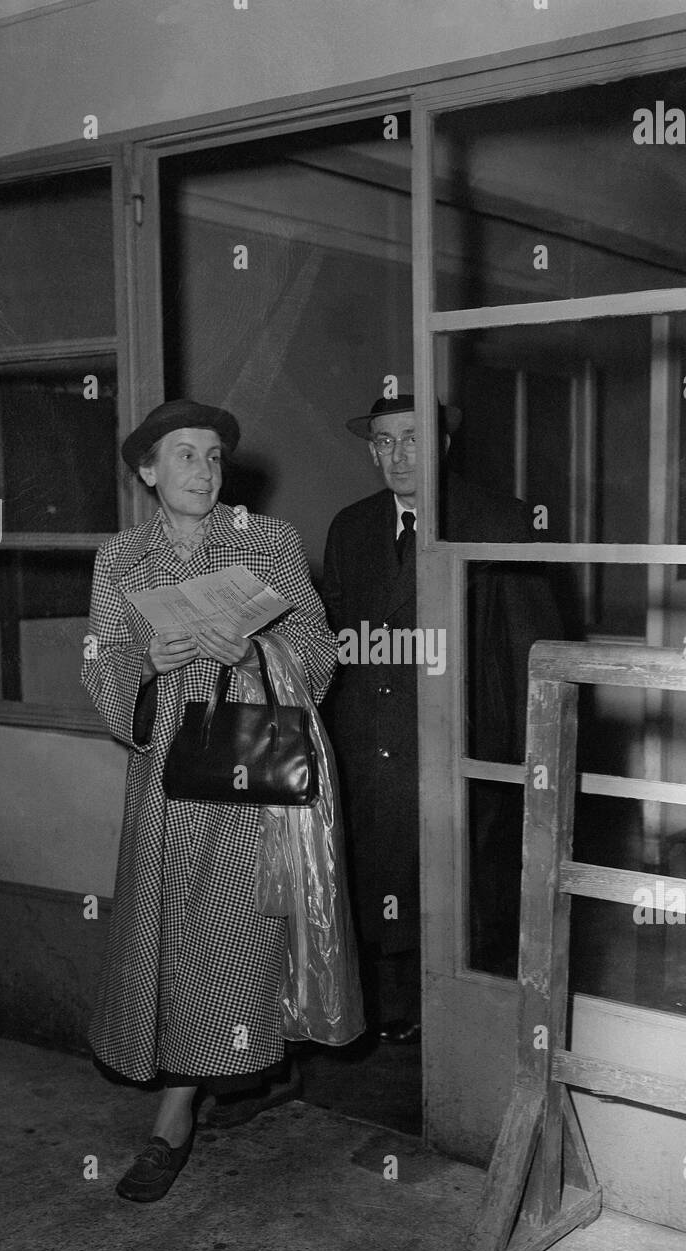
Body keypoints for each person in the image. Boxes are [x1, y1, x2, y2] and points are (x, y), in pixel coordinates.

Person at [82, 399, 338, 1202]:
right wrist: (148, 664)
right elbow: (101, 662)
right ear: (148, 472)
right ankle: (247, 1073)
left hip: (248, 780)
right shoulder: (119, 559)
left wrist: (259, 645)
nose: (204, 470)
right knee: (169, 937)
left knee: (238, 935)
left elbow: (321, 650)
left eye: (214, 457)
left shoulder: (266, 542)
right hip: (164, 778)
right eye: (184, 456)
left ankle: (175, 1116)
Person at [321, 389, 565, 1040]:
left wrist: (530, 758)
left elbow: (529, 646)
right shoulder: (350, 527)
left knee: (463, 885)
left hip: (461, 740)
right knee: (381, 874)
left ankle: (466, 1020)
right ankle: (399, 1013)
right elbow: (335, 639)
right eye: (384, 442)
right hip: (371, 742)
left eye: (413, 439)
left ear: (443, 446)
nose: (398, 455)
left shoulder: (497, 520)